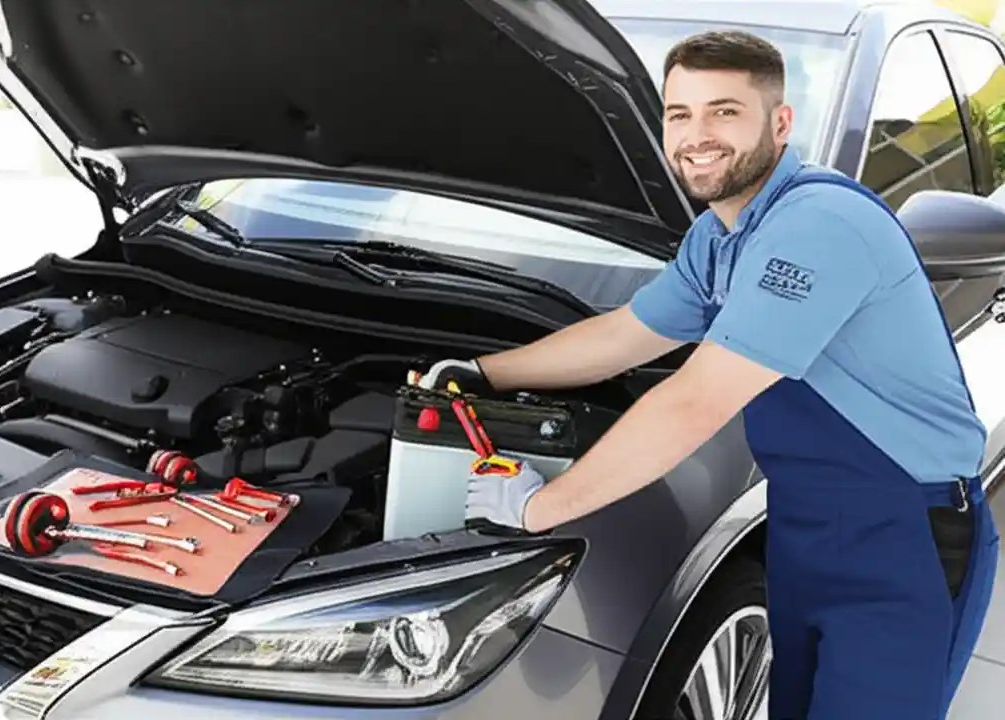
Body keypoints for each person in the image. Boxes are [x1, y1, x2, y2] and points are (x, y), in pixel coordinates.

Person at [418, 30, 999, 720]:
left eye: (725, 111)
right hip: (805, 522)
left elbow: (696, 400)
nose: (698, 135)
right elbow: (625, 334)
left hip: (904, 534)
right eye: (680, 114)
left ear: (780, 124)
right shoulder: (721, 234)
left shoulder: (820, 224)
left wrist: (540, 508)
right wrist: (482, 372)